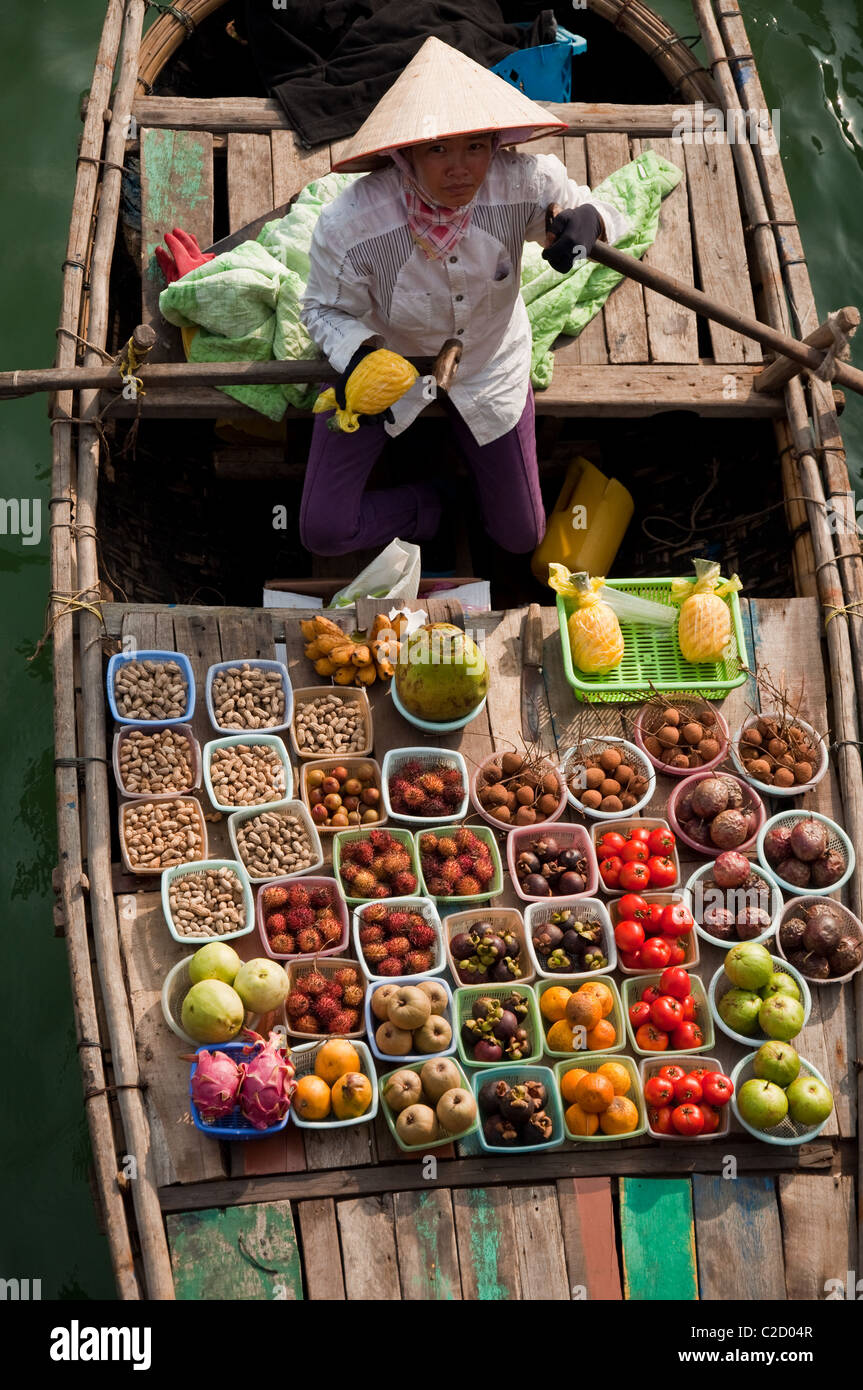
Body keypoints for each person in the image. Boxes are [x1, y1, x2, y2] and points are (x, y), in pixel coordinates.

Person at [299, 36, 631, 559]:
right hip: (385, 370)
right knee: (324, 531)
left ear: (495, 144)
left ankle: (472, 497)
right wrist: (360, 355)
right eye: (438, 149)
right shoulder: (351, 224)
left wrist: (590, 224)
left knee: (521, 536)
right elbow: (320, 309)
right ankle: (431, 504)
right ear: (404, 153)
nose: (461, 169)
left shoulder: (526, 182)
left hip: (488, 364)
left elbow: (590, 208)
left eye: (476, 146)